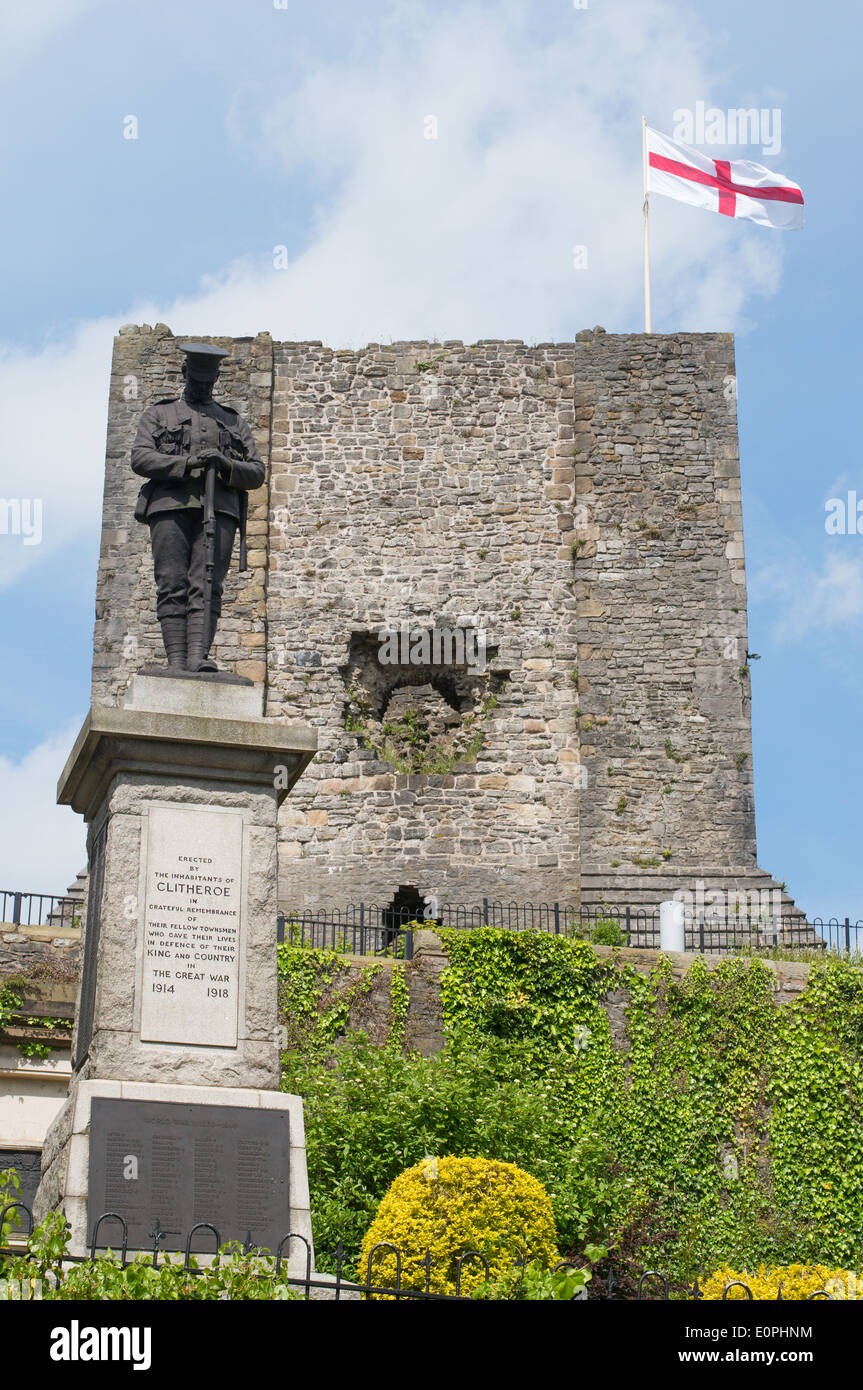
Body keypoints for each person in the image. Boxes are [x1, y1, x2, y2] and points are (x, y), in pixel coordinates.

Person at [131, 342, 265, 673]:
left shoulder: (233, 422)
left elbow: (257, 472)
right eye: (197, 381)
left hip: (219, 509)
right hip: (169, 506)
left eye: (209, 382)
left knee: (207, 584)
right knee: (171, 581)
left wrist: (224, 464)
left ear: (216, 379)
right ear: (185, 374)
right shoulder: (159, 414)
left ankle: (197, 658)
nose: (202, 388)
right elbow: (141, 457)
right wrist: (186, 463)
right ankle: (177, 660)